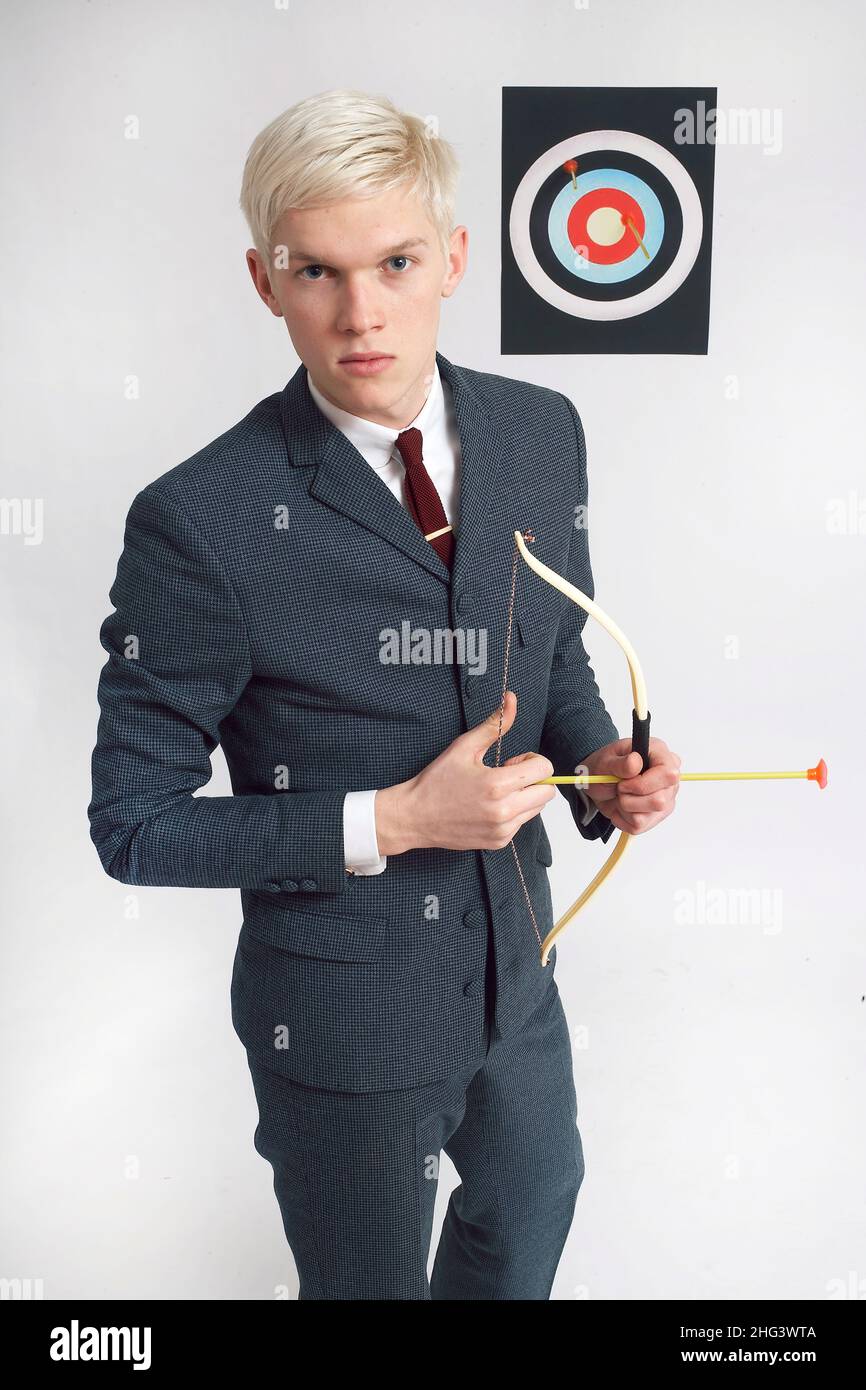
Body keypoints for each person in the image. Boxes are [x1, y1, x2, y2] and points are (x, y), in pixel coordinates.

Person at [88, 88, 680, 1300]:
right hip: (341, 1014)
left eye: (395, 263)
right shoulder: (197, 521)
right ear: (265, 281)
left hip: (519, 968)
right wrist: (398, 820)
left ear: (451, 259)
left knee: (528, 1221)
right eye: (316, 272)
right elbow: (135, 827)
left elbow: (550, 650)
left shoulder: (539, 431)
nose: (359, 314)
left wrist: (599, 772)